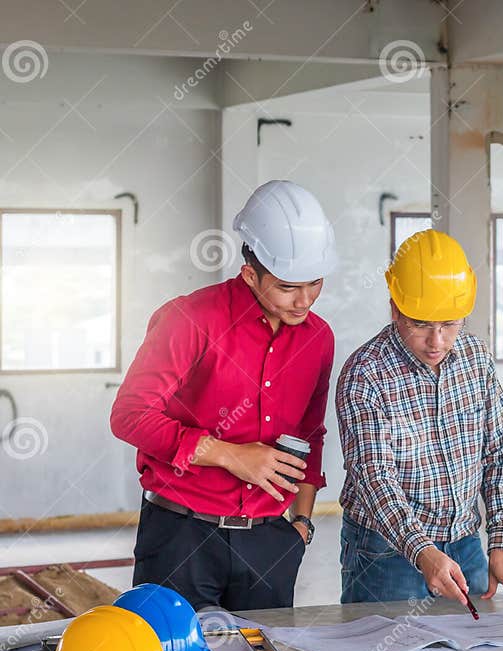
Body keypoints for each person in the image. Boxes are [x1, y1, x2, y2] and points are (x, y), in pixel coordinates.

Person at [110, 180, 336, 610]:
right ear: (250, 273)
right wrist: (229, 454)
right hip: (181, 538)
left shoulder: (319, 338)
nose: (304, 300)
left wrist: (301, 524)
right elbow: (129, 415)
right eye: (288, 287)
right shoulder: (189, 319)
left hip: (271, 542)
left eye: (315, 283)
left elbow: (312, 433)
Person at [336, 229, 503, 605]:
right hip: (386, 553)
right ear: (395, 308)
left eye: (450, 324)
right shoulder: (366, 374)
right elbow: (374, 478)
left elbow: (501, 449)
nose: (437, 341)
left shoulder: (475, 357)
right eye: (421, 324)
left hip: (465, 546)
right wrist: (422, 551)